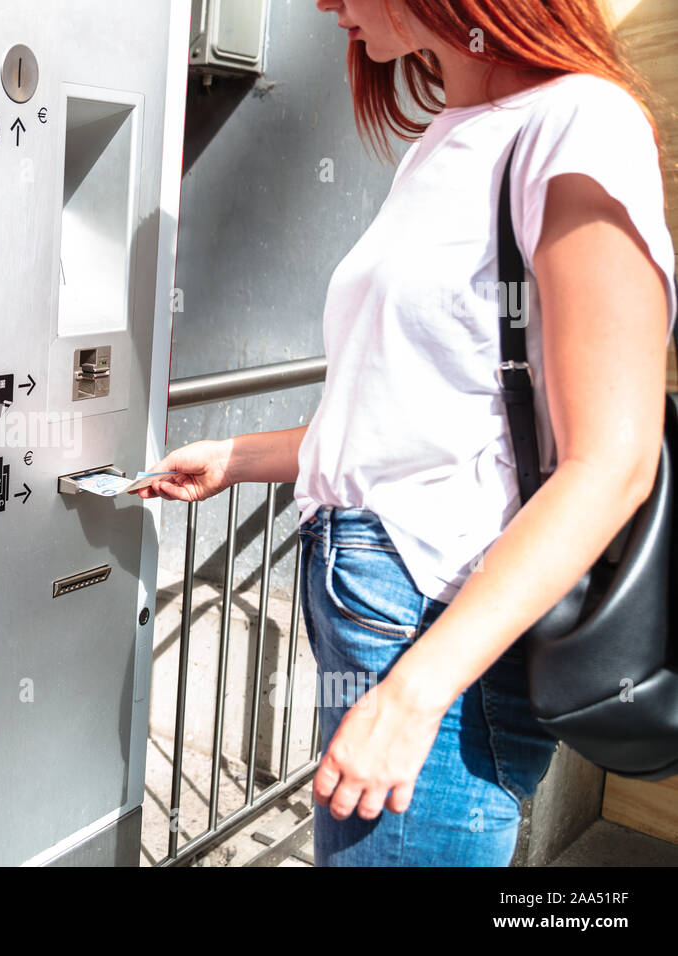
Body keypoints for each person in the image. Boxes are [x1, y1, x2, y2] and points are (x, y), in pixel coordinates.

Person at [135, 0, 677, 865]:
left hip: (437, 641)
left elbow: (611, 463)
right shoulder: (450, 134)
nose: (324, 5)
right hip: (385, 633)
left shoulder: (579, 121)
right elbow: (405, 420)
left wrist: (413, 695)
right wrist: (237, 457)